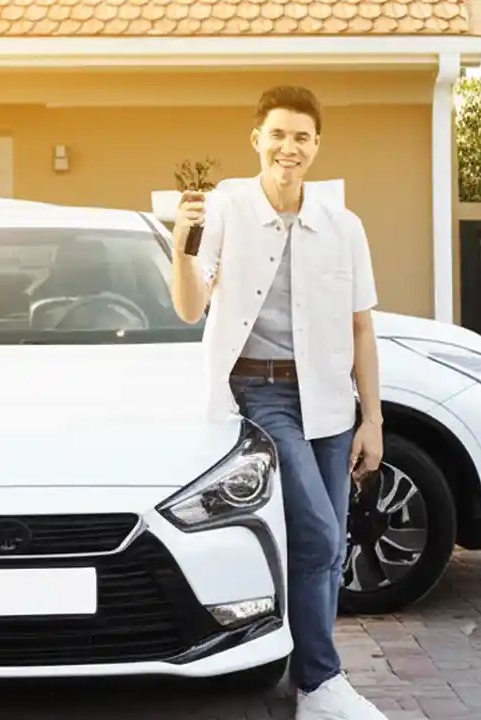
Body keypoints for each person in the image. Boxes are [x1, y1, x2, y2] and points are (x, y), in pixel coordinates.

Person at [169, 85, 388, 720]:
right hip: (259, 392)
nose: (288, 148)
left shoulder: (343, 226)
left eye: (301, 137)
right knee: (318, 533)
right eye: (278, 135)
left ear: (316, 146)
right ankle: (320, 681)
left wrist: (372, 419)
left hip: (327, 397)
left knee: (327, 538)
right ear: (256, 140)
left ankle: (308, 679)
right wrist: (182, 242)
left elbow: (362, 328)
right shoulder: (227, 206)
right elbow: (189, 305)